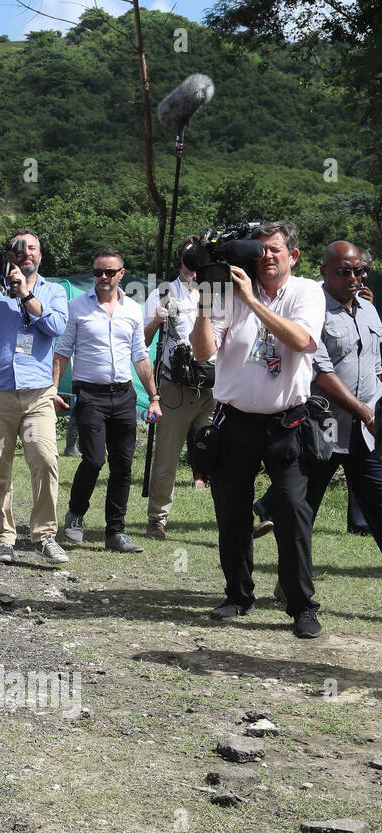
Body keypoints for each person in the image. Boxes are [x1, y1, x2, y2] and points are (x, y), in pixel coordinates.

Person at [189, 221, 326, 639]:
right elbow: (204, 352)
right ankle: (237, 595)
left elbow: (302, 341)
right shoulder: (230, 293)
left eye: (276, 250)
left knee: (291, 512)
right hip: (235, 420)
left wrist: (252, 299)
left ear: (293, 256)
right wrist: (204, 306)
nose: (266, 256)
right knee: (231, 513)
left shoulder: (306, 292)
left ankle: (301, 605)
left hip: (287, 422)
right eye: (260, 250)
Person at [251, 241, 381, 553]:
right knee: (304, 507)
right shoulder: (311, 307)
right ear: (324, 271)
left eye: (360, 272)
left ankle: (268, 507)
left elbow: (377, 366)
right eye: (345, 272)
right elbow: (321, 372)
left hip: (367, 432)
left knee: (378, 500)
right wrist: (365, 413)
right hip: (323, 428)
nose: (355, 278)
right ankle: (290, 580)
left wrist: (374, 413)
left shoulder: (368, 309)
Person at [0, 230, 69, 564]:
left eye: (32, 248)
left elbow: (57, 327)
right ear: (8, 255)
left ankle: (45, 535)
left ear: (40, 254)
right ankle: (2, 538)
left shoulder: (54, 291)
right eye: (19, 250)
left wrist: (24, 295)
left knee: (45, 459)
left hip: (37, 392)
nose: (26, 254)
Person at [54, 248, 161, 553]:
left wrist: (153, 397)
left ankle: (115, 531)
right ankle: (75, 514)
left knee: (123, 466)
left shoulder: (133, 310)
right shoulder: (77, 307)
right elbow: (63, 351)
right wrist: (52, 392)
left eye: (109, 272)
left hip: (124, 396)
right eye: (98, 272)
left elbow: (140, 356)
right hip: (90, 395)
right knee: (93, 459)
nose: (102, 277)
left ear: (121, 275)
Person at [144, 238, 216, 538]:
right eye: (189, 256)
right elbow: (143, 341)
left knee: (221, 452)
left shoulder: (218, 290)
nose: (195, 262)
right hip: (177, 385)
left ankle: (236, 516)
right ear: (180, 259)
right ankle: (157, 518)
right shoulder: (163, 291)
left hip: (214, 384)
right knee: (167, 454)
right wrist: (157, 320)